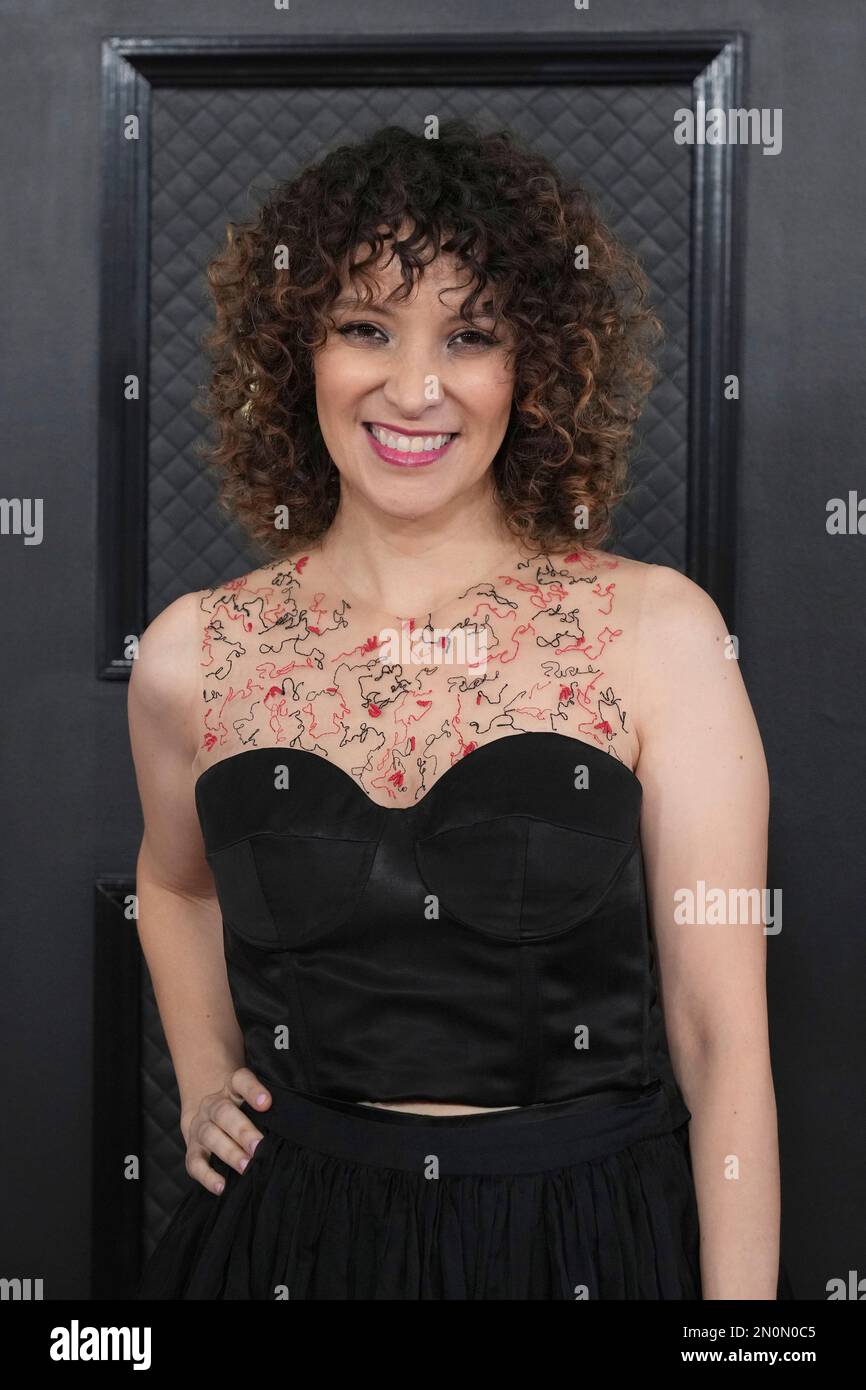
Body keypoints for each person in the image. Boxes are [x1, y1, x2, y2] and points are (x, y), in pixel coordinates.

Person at [131, 122, 788, 1299]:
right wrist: (200, 1074)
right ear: (298, 352)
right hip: (291, 1241)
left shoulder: (655, 633)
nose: (415, 386)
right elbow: (175, 885)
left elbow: (719, 1041)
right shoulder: (198, 652)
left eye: (469, 335)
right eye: (365, 327)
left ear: (531, 369)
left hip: (581, 1240)